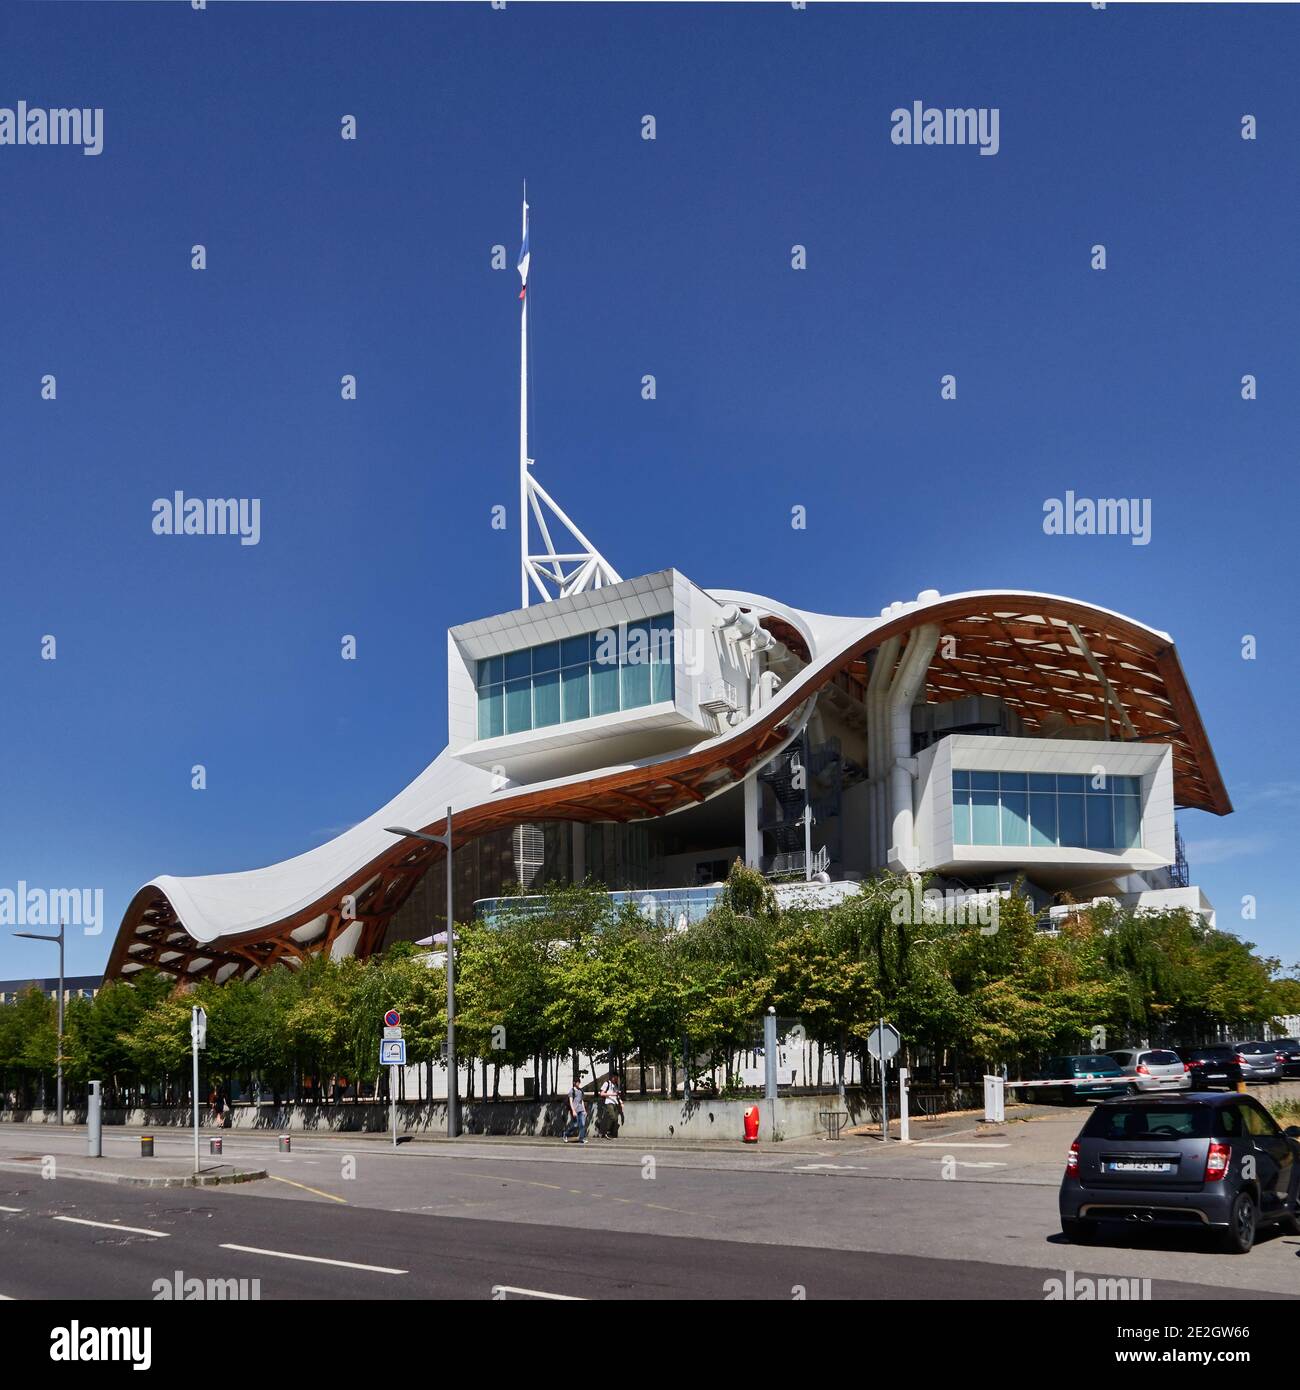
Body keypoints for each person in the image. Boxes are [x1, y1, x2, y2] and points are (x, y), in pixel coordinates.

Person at [597, 1074, 624, 1139]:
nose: (616, 1080)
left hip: (615, 1103)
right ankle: (606, 1132)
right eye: (615, 1078)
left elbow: (617, 1095)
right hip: (609, 1102)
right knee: (613, 1117)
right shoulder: (607, 1083)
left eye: (617, 1079)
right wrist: (612, 1094)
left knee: (614, 1119)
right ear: (612, 1078)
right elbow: (601, 1093)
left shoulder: (616, 1085)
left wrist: (621, 1102)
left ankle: (607, 1132)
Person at [562, 1079, 587, 1144]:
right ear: (574, 1083)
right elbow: (570, 1102)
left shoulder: (581, 1090)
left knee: (583, 1125)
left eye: (579, 1082)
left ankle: (581, 1139)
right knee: (575, 1125)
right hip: (575, 1110)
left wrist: (584, 1110)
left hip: (581, 1109)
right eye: (577, 1082)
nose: (579, 1084)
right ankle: (565, 1134)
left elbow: (582, 1101)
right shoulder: (571, 1091)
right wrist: (573, 1111)